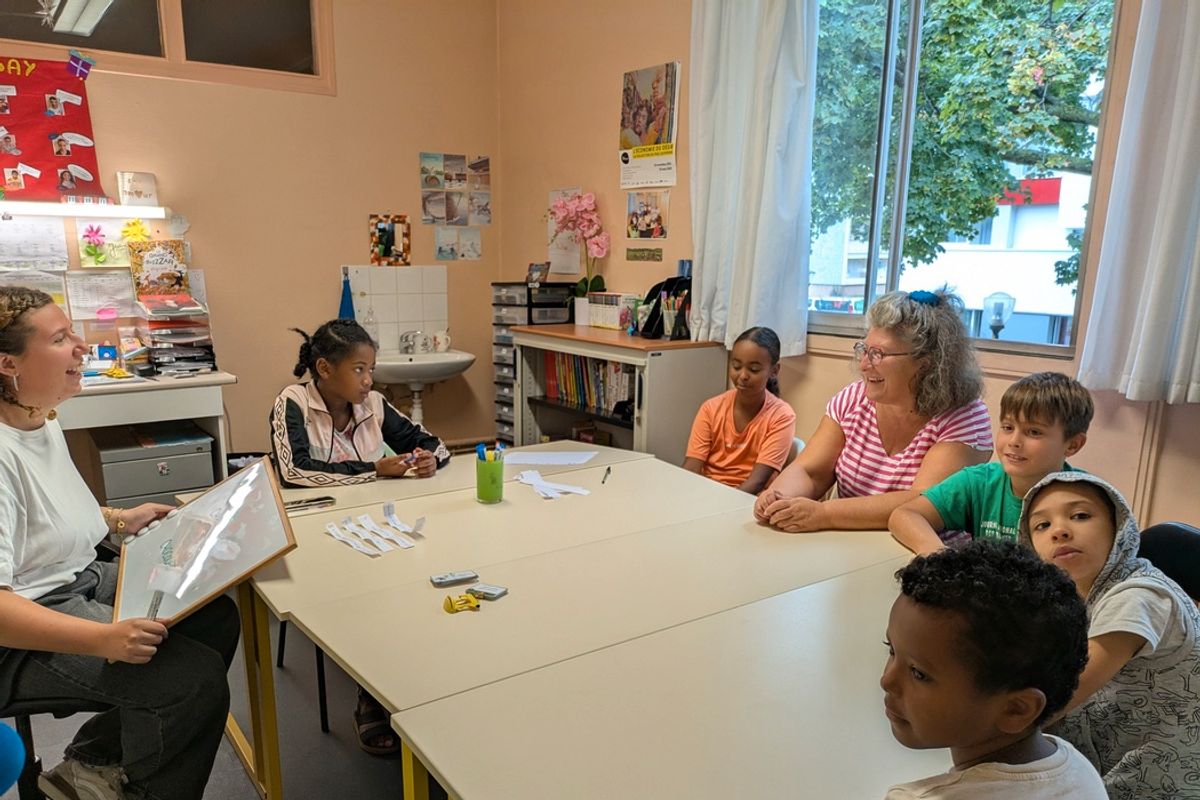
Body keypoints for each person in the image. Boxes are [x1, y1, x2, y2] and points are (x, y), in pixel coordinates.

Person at [0, 287, 240, 800]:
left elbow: (39, 519)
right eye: (61, 338)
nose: (83, 346)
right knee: (190, 681)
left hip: (75, 577)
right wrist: (103, 640)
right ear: (8, 364)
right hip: (22, 627)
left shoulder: (37, 416)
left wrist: (115, 519)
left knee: (213, 613)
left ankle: (91, 765)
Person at [269, 318, 450, 756]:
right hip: (313, 528)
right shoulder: (291, 402)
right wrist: (372, 471)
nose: (369, 380)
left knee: (411, 581)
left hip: (375, 526)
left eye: (372, 370)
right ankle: (372, 693)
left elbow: (437, 445)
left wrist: (428, 460)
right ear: (326, 369)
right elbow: (293, 474)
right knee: (365, 596)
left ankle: (416, 673)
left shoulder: (377, 405)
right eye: (359, 370)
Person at [1021, 472, 1200, 798]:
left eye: (1080, 516)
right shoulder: (1072, 596)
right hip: (1108, 752)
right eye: (1042, 525)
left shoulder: (1138, 596)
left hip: (1163, 779)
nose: (1059, 531)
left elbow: (1064, 692)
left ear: (1117, 528)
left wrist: (973, 723)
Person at [754, 289, 993, 532]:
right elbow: (810, 471)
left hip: (926, 558)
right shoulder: (853, 399)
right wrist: (778, 498)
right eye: (864, 350)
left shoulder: (965, 417)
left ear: (926, 363)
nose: (864, 365)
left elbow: (923, 502)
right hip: (849, 549)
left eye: (879, 354)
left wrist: (825, 513)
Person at [883, 541, 1106, 799]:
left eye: (918, 673)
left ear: (1016, 709)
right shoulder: (1077, 769)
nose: (887, 680)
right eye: (891, 649)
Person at [889, 372, 1092, 556]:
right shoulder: (978, 482)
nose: (1014, 441)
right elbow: (905, 514)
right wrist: (939, 554)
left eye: (1034, 432)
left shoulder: (1088, 498)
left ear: (1073, 444)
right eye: (1008, 427)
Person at [683, 327, 796, 494]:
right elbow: (692, 467)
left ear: (774, 371)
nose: (742, 375)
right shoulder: (711, 408)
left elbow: (757, 483)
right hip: (706, 494)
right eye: (736, 366)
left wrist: (722, 507)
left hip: (747, 501)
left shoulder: (781, 416)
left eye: (754, 370)